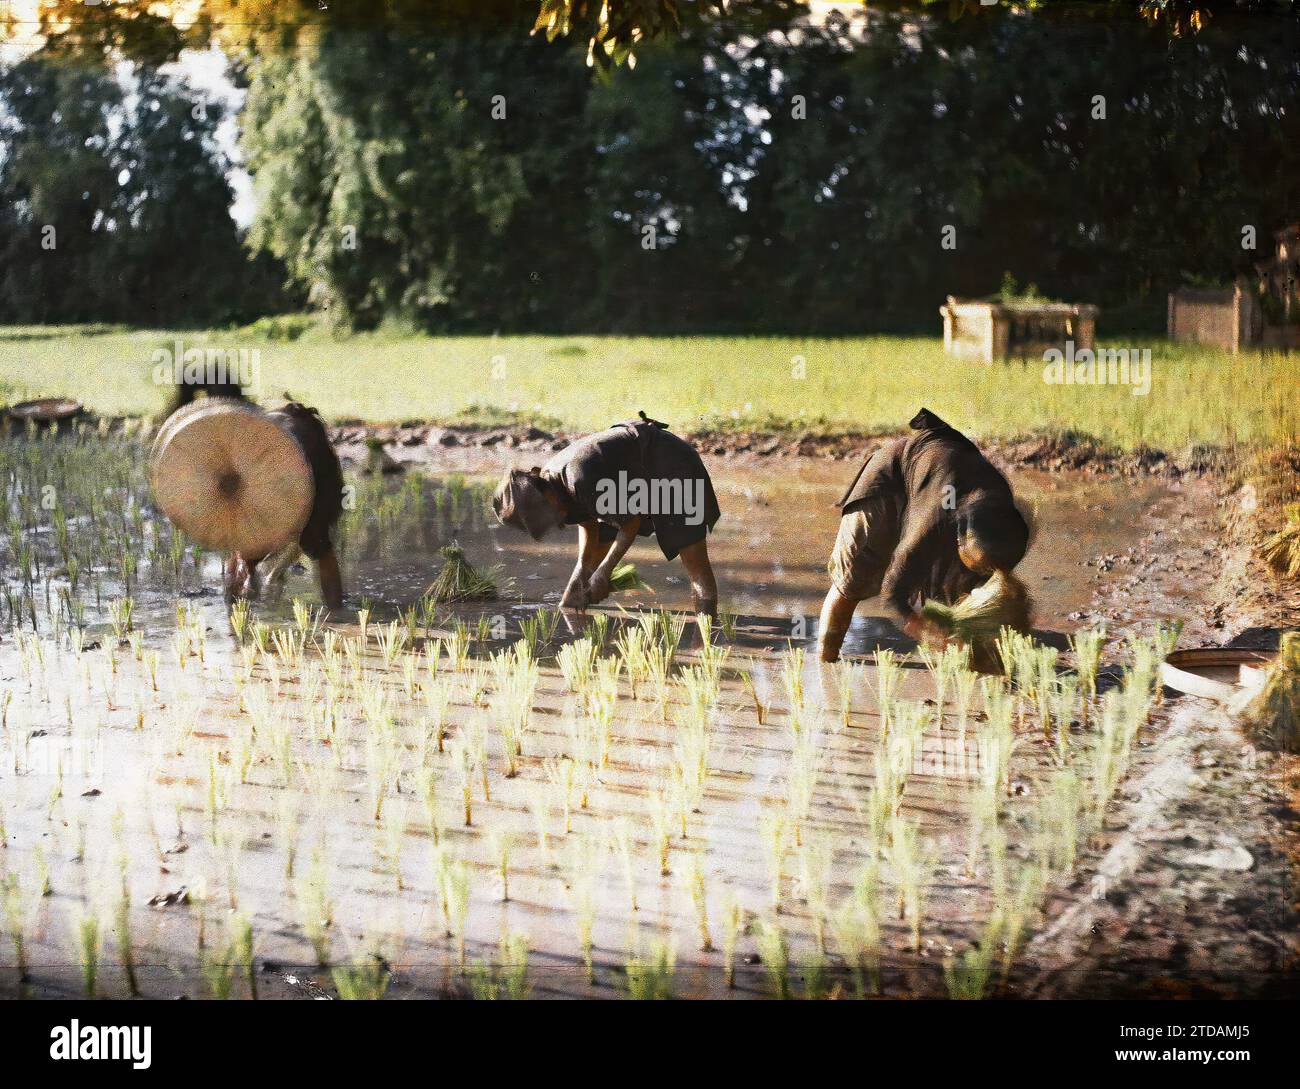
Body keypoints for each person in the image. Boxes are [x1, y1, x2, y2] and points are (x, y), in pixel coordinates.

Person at [817, 407, 1030, 662]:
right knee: (852, 582)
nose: (987, 575)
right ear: (959, 539)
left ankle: (972, 658)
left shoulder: (1003, 513)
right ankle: (825, 659)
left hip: (935, 484)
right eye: (982, 566)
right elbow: (894, 586)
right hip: (888, 486)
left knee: (961, 591)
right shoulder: (933, 520)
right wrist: (916, 623)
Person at [492, 412, 721, 616]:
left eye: (548, 513)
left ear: (544, 495)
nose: (556, 518)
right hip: (628, 476)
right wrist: (580, 575)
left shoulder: (580, 479)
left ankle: (706, 629)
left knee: (694, 560)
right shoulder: (553, 482)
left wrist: (604, 572)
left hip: (672, 466)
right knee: (597, 549)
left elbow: (629, 524)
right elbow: (589, 522)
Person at [160, 380, 345, 609]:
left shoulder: (294, 458)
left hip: (306, 465)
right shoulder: (226, 440)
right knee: (246, 554)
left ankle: (338, 614)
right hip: (264, 471)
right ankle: (237, 617)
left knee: (316, 542)